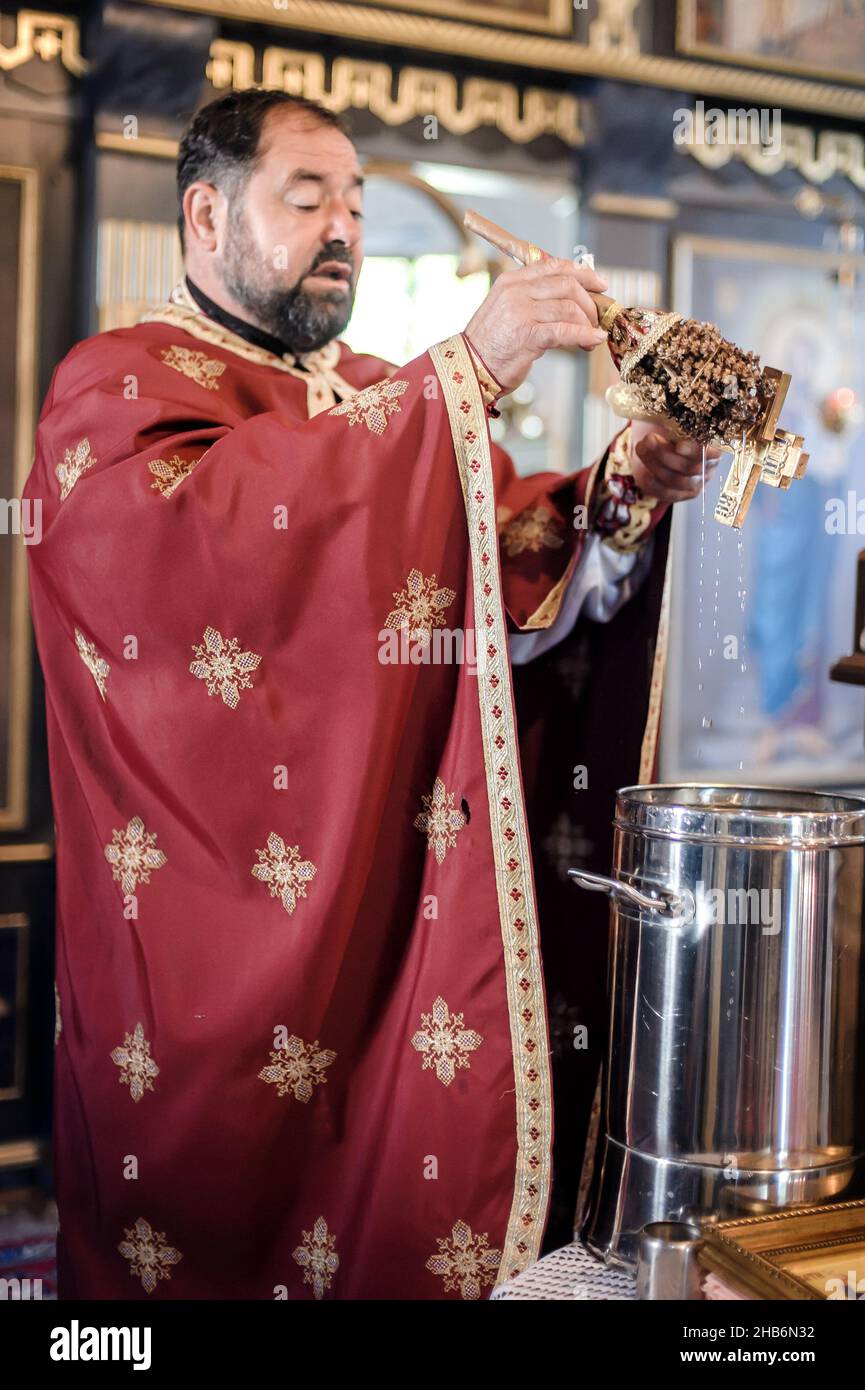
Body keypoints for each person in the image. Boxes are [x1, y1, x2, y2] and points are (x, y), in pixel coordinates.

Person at [24, 89, 716, 1300]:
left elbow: (498, 569)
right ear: (205, 215)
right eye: (307, 198)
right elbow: (193, 568)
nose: (342, 225)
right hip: (195, 927)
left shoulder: (382, 391)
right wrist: (474, 365)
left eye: (355, 202)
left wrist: (619, 490)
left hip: (386, 910)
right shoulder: (116, 386)